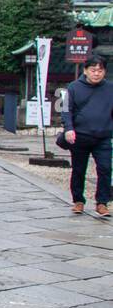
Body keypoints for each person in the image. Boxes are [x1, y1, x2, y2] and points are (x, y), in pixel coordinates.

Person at [62, 53, 113, 217]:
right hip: (80, 136)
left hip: (103, 136)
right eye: (93, 70)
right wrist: (69, 128)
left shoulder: (110, 88)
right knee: (78, 169)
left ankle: (102, 202)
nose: (96, 73)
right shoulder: (74, 87)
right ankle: (78, 200)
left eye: (100, 70)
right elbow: (66, 110)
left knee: (105, 169)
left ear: (104, 71)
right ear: (85, 70)